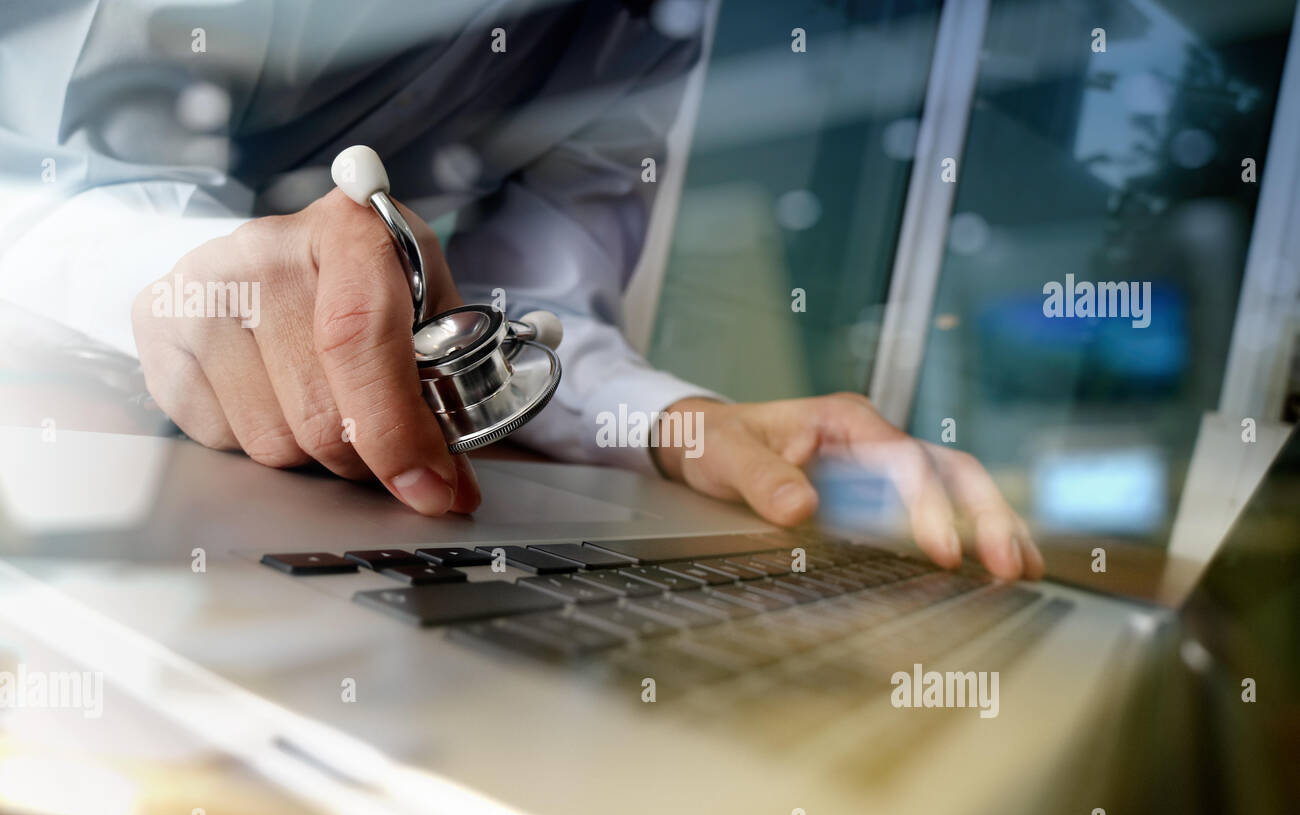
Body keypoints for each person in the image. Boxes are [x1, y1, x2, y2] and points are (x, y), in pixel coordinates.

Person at [0, 0, 1042, 580]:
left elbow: (540, 298)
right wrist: (171, 277)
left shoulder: (647, 23)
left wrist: (672, 421)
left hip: (275, 513)